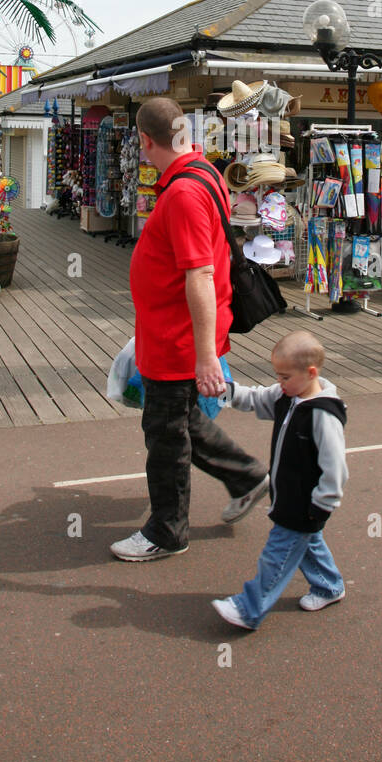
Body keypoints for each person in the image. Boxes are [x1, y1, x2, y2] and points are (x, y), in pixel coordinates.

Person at [111, 97, 269, 561]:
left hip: (176, 340)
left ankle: (167, 531)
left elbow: (198, 273)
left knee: (164, 434)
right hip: (174, 333)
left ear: (144, 141)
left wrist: (204, 357)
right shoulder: (202, 171)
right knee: (181, 420)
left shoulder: (182, 192)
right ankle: (248, 477)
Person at [212, 331, 347, 629]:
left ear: (311, 373)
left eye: (285, 377)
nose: (280, 383)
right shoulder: (287, 396)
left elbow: (335, 468)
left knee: (277, 555)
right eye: (278, 376)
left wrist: (323, 505)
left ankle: (249, 609)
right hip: (287, 496)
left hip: (304, 504)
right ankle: (329, 586)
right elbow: (257, 397)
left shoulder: (323, 415)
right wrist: (226, 392)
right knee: (307, 545)